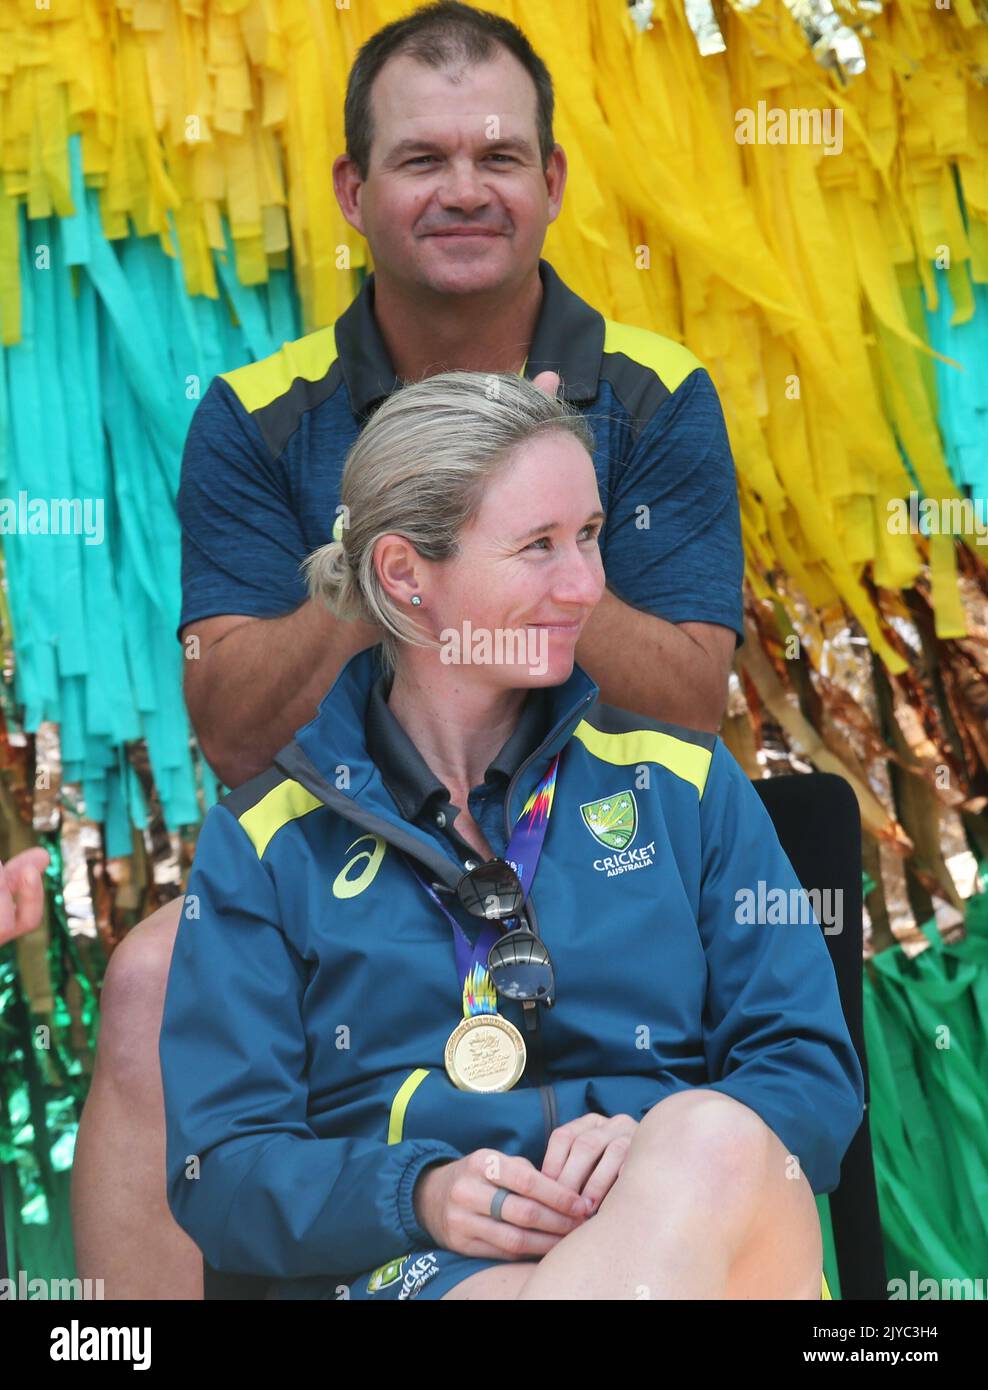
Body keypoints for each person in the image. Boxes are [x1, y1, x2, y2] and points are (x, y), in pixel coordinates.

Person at [72, 1, 745, 1297]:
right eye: (422, 159)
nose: (464, 189)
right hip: (346, 865)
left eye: (499, 157)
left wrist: (528, 522)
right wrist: (377, 549)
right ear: (353, 189)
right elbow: (231, 738)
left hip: (606, 857)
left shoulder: (658, 389)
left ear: (551, 182)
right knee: (156, 970)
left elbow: (695, 704)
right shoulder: (260, 415)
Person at [159, 372, 864, 1301]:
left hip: (705, 1232)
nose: (588, 587)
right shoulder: (265, 841)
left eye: (591, 536)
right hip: (427, 1272)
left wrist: (657, 1144)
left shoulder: (683, 783)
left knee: (713, 1137)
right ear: (405, 577)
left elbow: (809, 1073)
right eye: (539, 547)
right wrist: (422, 1194)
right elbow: (226, 1166)